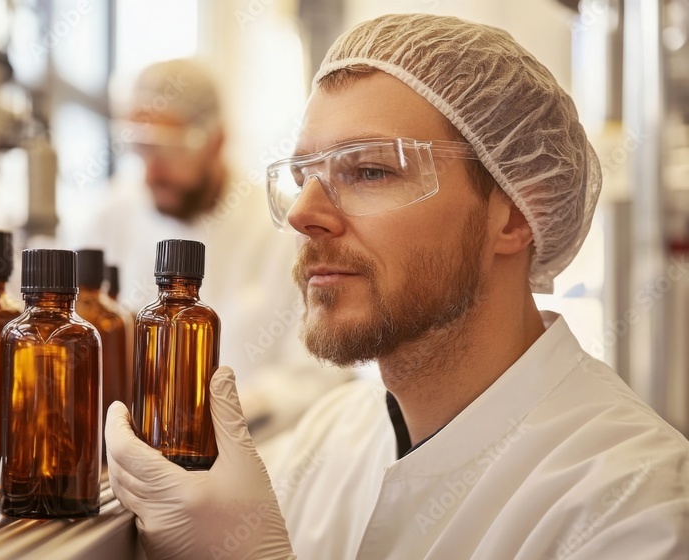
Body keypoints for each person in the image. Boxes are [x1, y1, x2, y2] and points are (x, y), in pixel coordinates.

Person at [103, 13, 689, 560]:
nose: (304, 214)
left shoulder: (632, 503)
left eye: (370, 170)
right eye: (303, 177)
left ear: (514, 214)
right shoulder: (331, 437)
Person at [76, 59, 349, 433]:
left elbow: (318, 373)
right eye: (142, 151)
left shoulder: (283, 229)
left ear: (216, 141)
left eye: (167, 152)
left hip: (259, 447)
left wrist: (217, 414)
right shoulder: (111, 219)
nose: (151, 173)